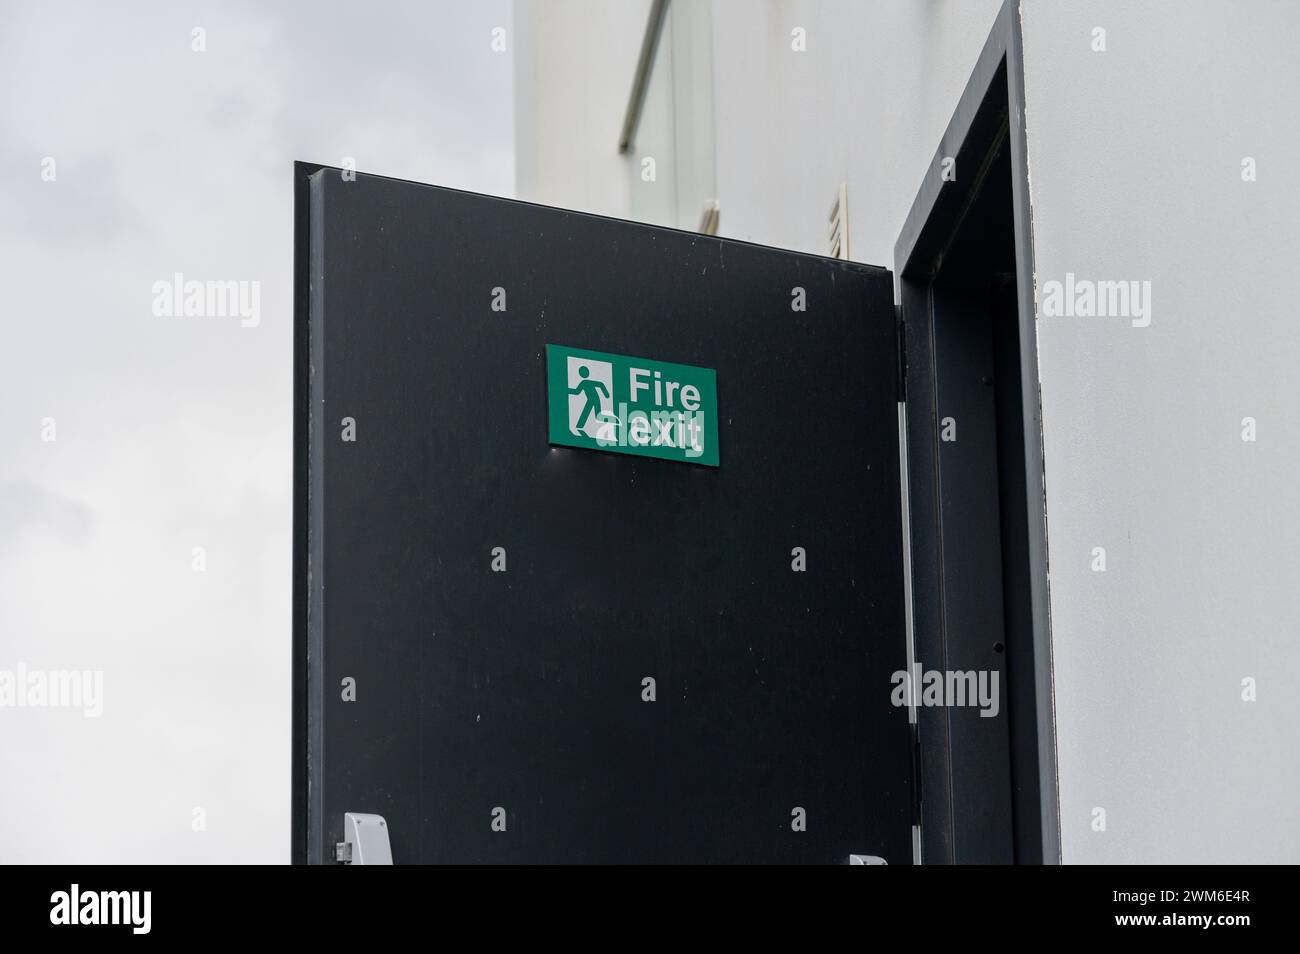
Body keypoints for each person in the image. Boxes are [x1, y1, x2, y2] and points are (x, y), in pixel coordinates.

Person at [570, 365, 609, 434]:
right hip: (591, 399)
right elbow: (577, 391)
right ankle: (580, 426)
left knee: (597, 416)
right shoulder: (583, 382)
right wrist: (567, 390)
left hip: (595, 399)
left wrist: (606, 394)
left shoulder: (586, 382)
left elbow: (600, 384)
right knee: (594, 415)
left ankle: (580, 425)